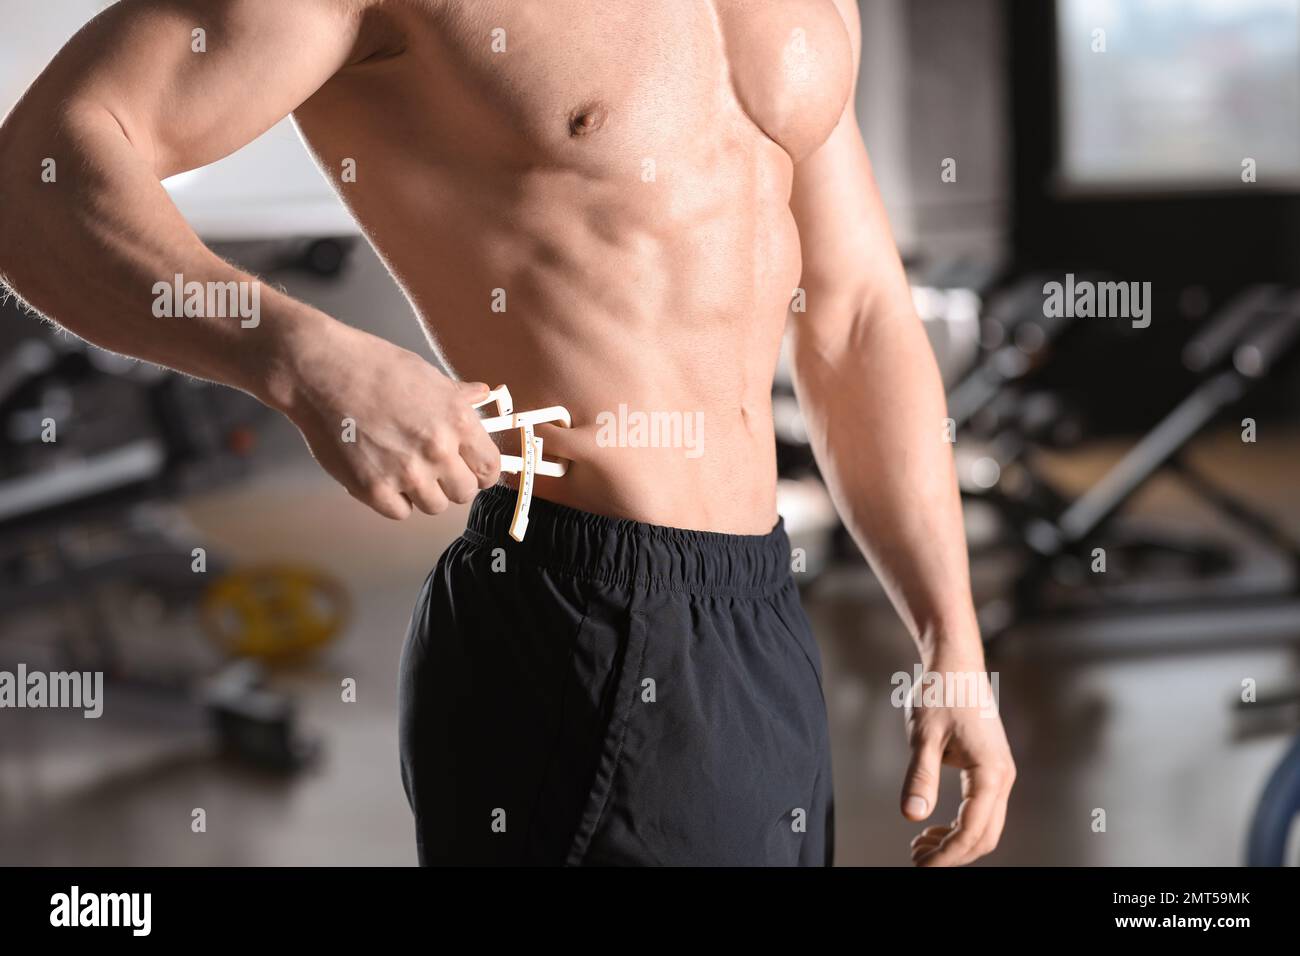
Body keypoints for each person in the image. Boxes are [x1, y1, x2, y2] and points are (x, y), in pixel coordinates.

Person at [0, 0, 1014, 865]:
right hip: (579, 613)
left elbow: (853, 314)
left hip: (758, 609)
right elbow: (41, 175)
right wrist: (301, 356)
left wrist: (948, 633)